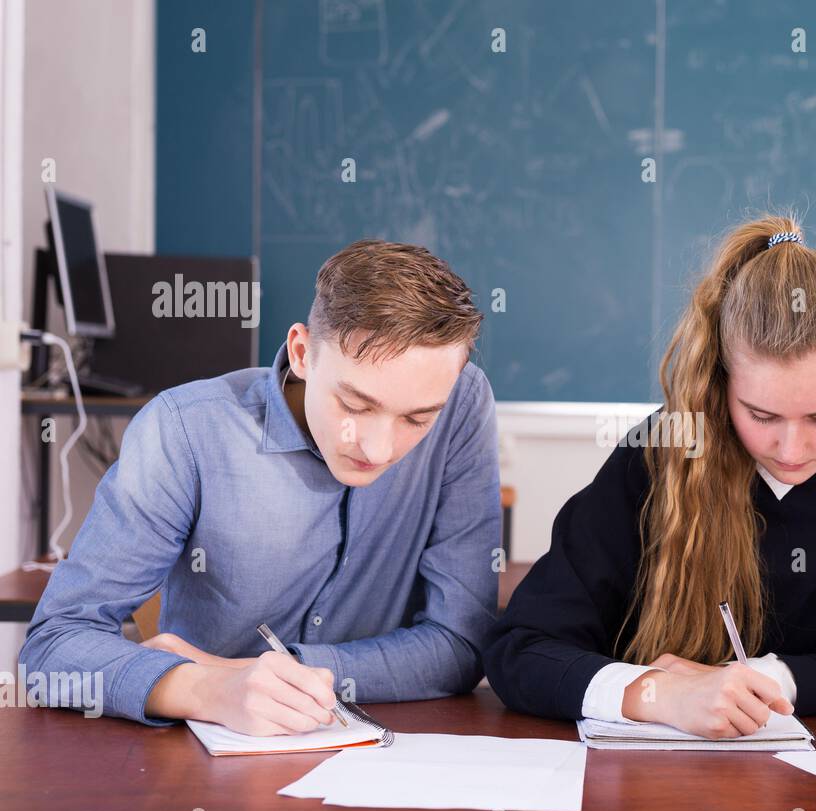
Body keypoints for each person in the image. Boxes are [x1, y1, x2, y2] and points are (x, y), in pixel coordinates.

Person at [485, 214, 816, 738]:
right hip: (663, 786)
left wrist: (766, 679)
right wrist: (656, 694)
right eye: (760, 416)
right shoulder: (664, 450)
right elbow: (520, 652)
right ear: (723, 379)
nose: (790, 448)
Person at [21, 239, 502, 734]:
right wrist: (203, 689)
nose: (378, 449)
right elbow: (53, 647)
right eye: (356, 406)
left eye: (417, 419)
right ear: (301, 353)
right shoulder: (184, 430)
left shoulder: (462, 404)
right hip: (203, 762)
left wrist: (272, 670)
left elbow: (462, 645)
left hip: (383, 751)